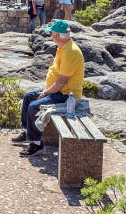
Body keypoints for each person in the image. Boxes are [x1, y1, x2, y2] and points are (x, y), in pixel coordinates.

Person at [12, 20, 85, 156]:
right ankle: (28, 132)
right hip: (58, 91)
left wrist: (46, 92)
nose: (50, 35)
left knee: (34, 106)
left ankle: (36, 144)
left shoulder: (70, 52)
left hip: (66, 96)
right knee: (28, 97)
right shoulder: (63, 47)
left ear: (57, 35)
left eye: (51, 33)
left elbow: (62, 81)